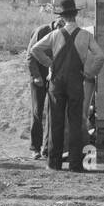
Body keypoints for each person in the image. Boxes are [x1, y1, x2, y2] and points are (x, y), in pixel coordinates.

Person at [29, 0, 104, 172]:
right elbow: (100, 56)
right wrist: (90, 72)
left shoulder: (54, 35)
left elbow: (35, 50)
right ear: (76, 15)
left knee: (56, 121)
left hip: (56, 82)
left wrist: (50, 64)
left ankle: (53, 163)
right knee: (76, 121)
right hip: (76, 82)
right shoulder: (86, 36)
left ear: (62, 17)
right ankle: (76, 164)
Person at [26, 17, 62, 160]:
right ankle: (35, 148)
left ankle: (47, 148)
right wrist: (36, 76)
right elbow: (30, 55)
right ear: (57, 23)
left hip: (54, 75)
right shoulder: (42, 31)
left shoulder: (64, 32)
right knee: (37, 111)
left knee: (53, 111)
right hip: (39, 75)